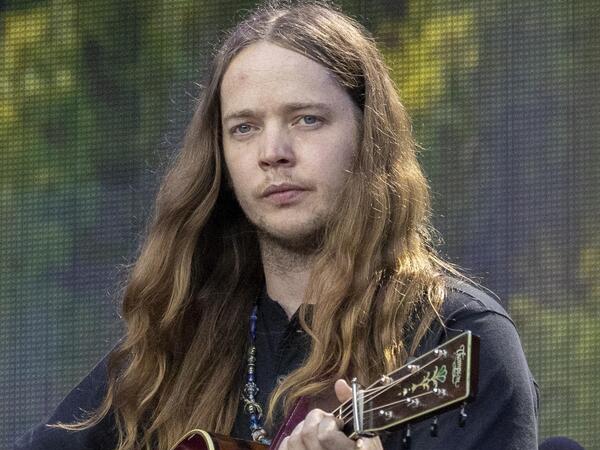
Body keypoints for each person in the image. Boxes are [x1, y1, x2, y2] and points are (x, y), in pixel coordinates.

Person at [14, 2, 539, 450]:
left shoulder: (457, 337)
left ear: (369, 137)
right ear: (221, 157)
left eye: (307, 119)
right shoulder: (176, 344)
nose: (273, 152)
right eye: (244, 128)